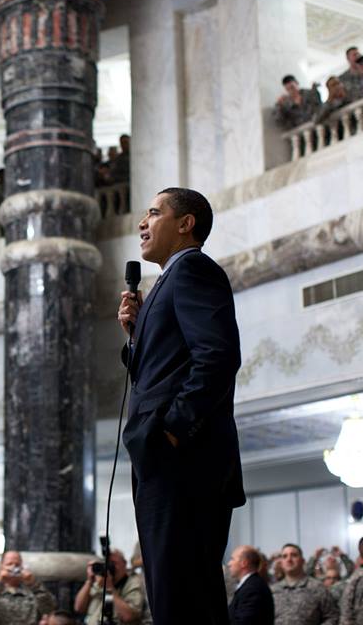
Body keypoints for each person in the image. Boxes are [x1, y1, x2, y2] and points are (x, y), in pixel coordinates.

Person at [117, 187, 243, 625]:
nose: (142, 223)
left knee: (183, 598)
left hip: (182, 459)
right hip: (164, 458)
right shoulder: (166, 282)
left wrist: (172, 430)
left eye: (154, 213)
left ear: (185, 223)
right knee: (172, 594)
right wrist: (135, 335)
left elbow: (218, 357)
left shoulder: (193, 271)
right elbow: (159, 372)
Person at [0, 551, 56, 625]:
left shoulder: (33, 590)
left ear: (22, 567)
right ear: (1, 566)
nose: (13, 567)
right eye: (9, 564)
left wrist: (33, 583)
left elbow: (49, 608)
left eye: (17, 565)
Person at [271, 543, 338, 625]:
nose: (289, 559)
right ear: (281, 563)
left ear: (302, 561)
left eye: (294, 555)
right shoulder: (273, 590)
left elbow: (332, 616)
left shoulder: (317, 587)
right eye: (285, 556)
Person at [74, 549, 144, 624]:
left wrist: (109, 588)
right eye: (107, 563)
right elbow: (79, 608)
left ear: (124, 563)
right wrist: (89, 581)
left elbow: (129, 618)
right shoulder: (100, 581)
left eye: (113, 563)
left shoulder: (133, 582)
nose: (110, 567)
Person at [228, 546, 275, 625]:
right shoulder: (250, 585)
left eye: (232, 559)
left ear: (244, 563)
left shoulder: (253, 588)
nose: (229, 564)